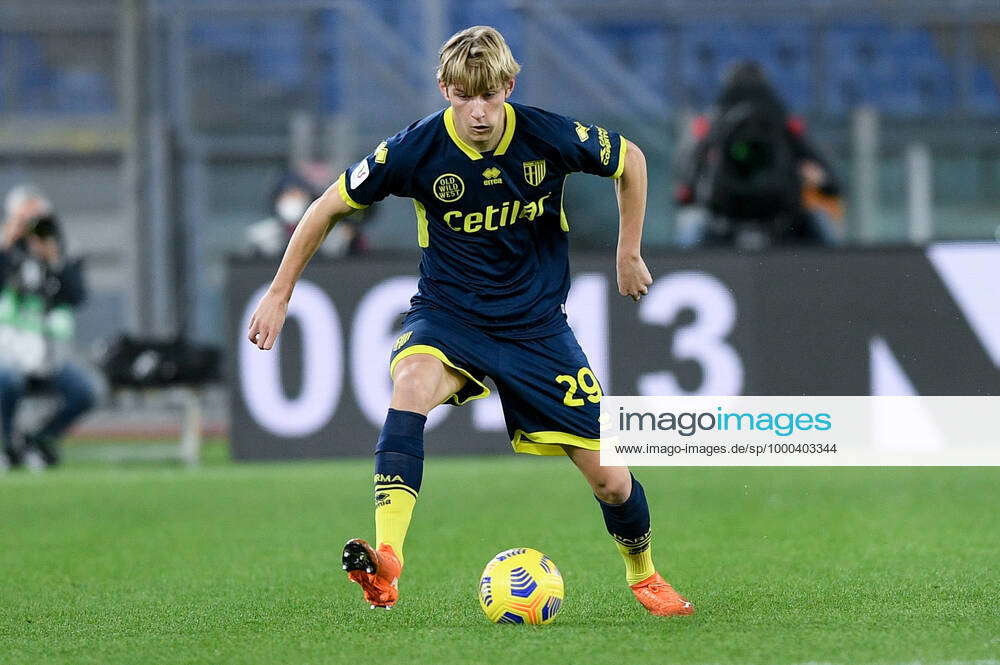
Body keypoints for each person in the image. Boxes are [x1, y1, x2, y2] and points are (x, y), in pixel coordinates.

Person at [247, 26, 694, 617]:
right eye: (463, 96)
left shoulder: (546, 135)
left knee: (612, 480)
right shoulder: (415, 151)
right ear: (444, 88)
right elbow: (326, 206)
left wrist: (628, 252)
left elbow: (631, 160)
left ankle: (645, 576)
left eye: (489, 96)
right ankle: (387, 561)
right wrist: (280, 292)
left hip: (536, 329)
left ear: (510, 84)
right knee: (409, 387)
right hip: (450, 316)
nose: (478, 112)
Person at [674, 61, 844, 249]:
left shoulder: (714, 124)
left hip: (749, 223)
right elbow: (832, 184)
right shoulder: (783, 124)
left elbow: (684, 191)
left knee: (692, 223)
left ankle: (681, 272)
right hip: (769, 223)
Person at [0, 185, 96, 468]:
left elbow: (77, 295)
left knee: (86, 391)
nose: (31, 227)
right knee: (7, 381)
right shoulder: (7, 252)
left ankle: (38, 439)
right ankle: (8, 445)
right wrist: (8, 242)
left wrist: (53, 258)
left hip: (50, 354)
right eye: (25, 219)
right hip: (9, 351)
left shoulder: (63, 250)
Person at [245, 171, 368, 258]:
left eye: (297, 194)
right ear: (276, 200)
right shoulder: (260, 236)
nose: (292, 199)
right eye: (287, 195)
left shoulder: (332, 232)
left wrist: (351, 237)